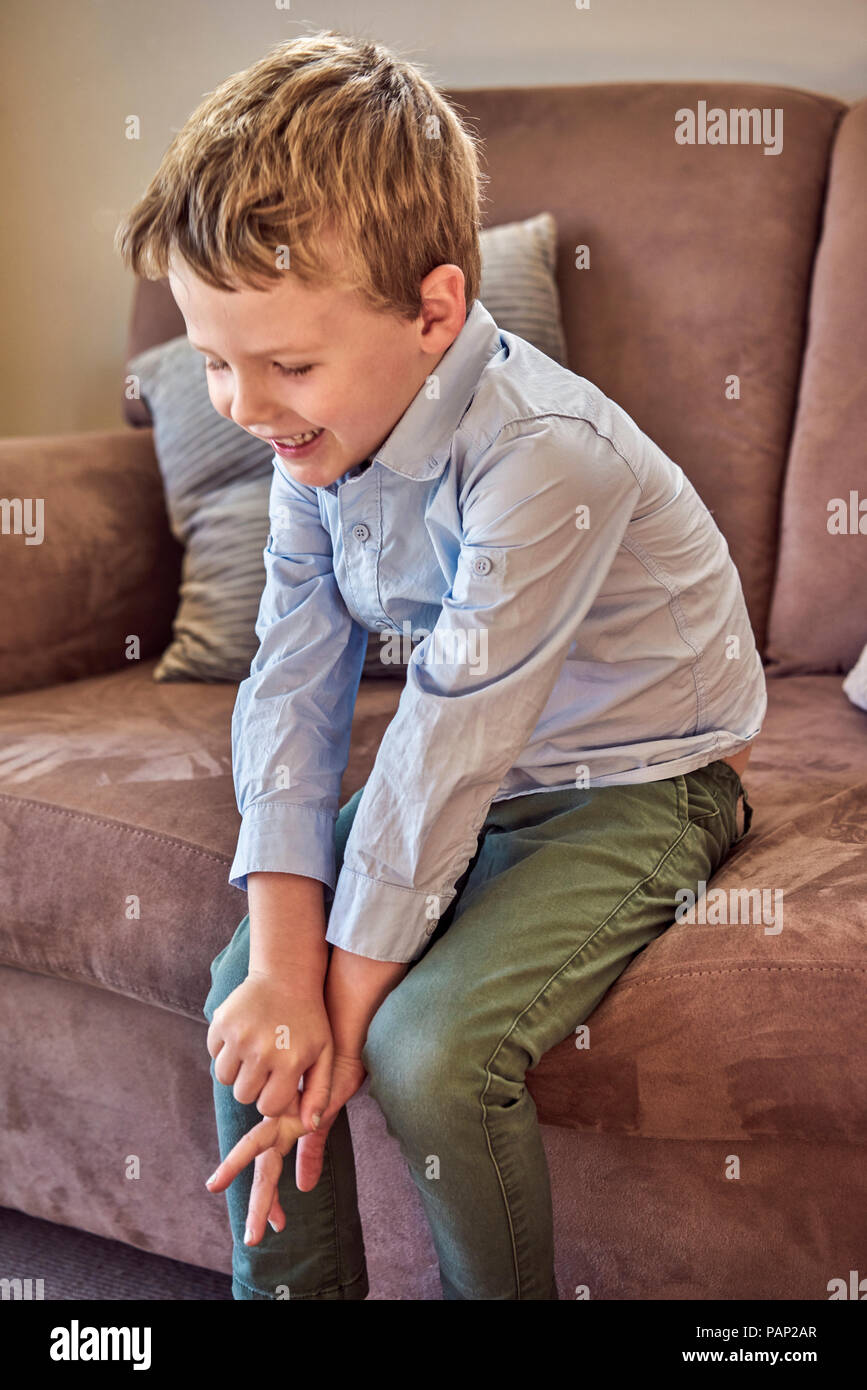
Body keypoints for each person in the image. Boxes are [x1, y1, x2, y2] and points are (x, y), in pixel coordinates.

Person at [114, 28, 764, 1301]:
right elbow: (293, 688)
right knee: (244, 992)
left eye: (285, 363)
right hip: (487, 762)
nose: (243, 405)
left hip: (638, 782)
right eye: (210, 362)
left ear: (435, 312)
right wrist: (288, 985)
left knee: (428, 1049)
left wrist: (337, 1030)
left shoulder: (548, 457)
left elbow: (450, 739)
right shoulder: (308, 433)